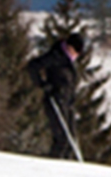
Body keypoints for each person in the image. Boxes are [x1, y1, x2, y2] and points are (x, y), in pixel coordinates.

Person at [26, 31, 85, 159]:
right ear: (69, 47)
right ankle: (53, 167)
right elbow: (33, 66)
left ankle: (66, 167)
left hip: (67, 103)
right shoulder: (56, 56)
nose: (77, 55)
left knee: (71, 139)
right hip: (55, 100)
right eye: (76, 51)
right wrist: (42, 84)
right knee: (62, 138)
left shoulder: (68, 61)